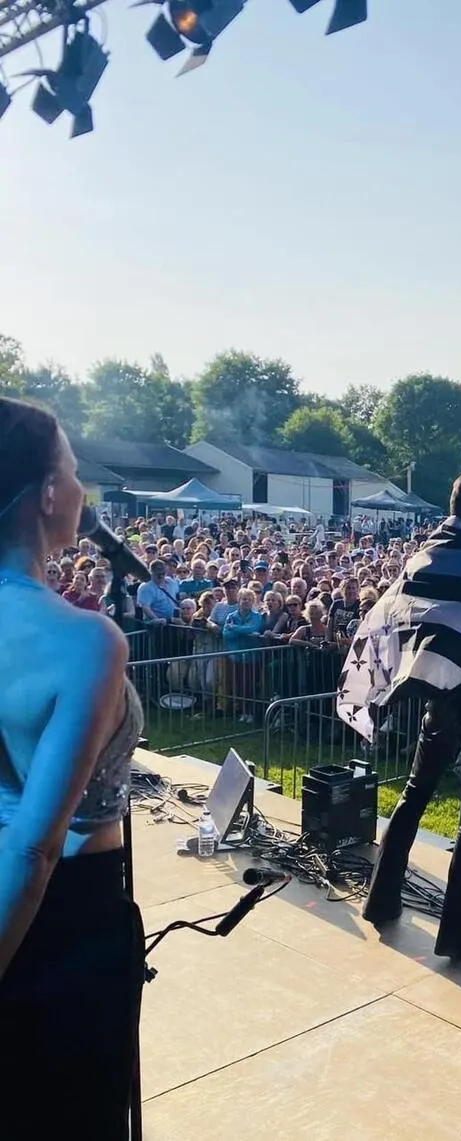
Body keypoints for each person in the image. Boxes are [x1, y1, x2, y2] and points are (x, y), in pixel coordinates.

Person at [0, 397, 144, 1139]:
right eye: (75, 470)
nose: (84, 488)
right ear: (51, 494)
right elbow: (35, 847)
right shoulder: (86, 639)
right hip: (62, 920)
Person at [342, 472, 461, 960]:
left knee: (414, 794)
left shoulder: (424, 556)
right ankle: (460, 934)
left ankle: (381, 900)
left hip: (438, 700)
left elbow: (403, 619)